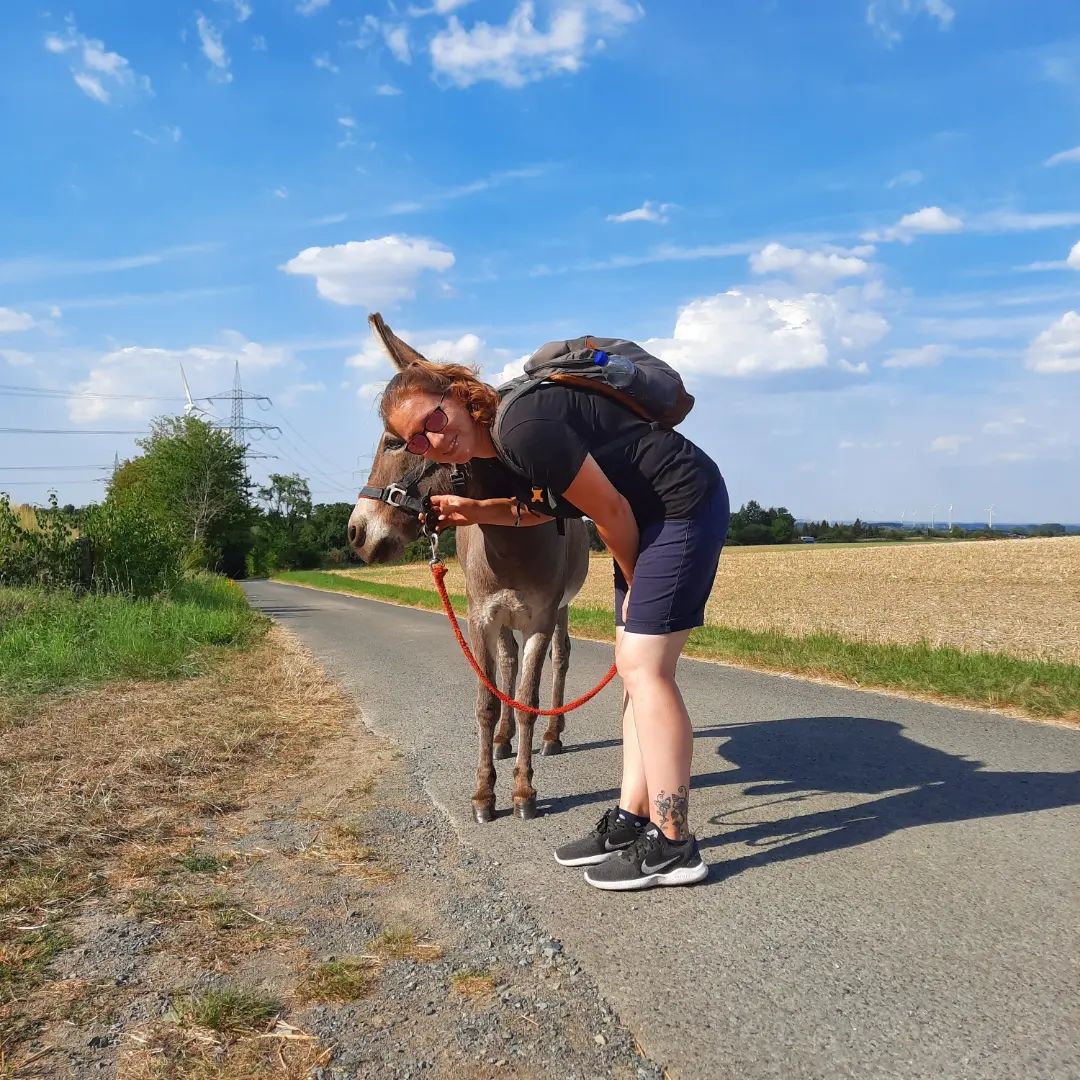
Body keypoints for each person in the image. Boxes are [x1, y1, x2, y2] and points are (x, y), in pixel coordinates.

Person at [380, 349, 729, 891]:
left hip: (680, 506)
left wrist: (636, 587)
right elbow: (544, 508)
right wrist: (475, 511)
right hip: (646, 516)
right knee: (633, 667)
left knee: (646, 668)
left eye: (433, 420)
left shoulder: (522, 427)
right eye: (417, 440)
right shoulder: (499, 450)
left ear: (458, 396)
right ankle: (632, 818)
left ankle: (674, 842)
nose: (432, 441)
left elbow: (609, 512)